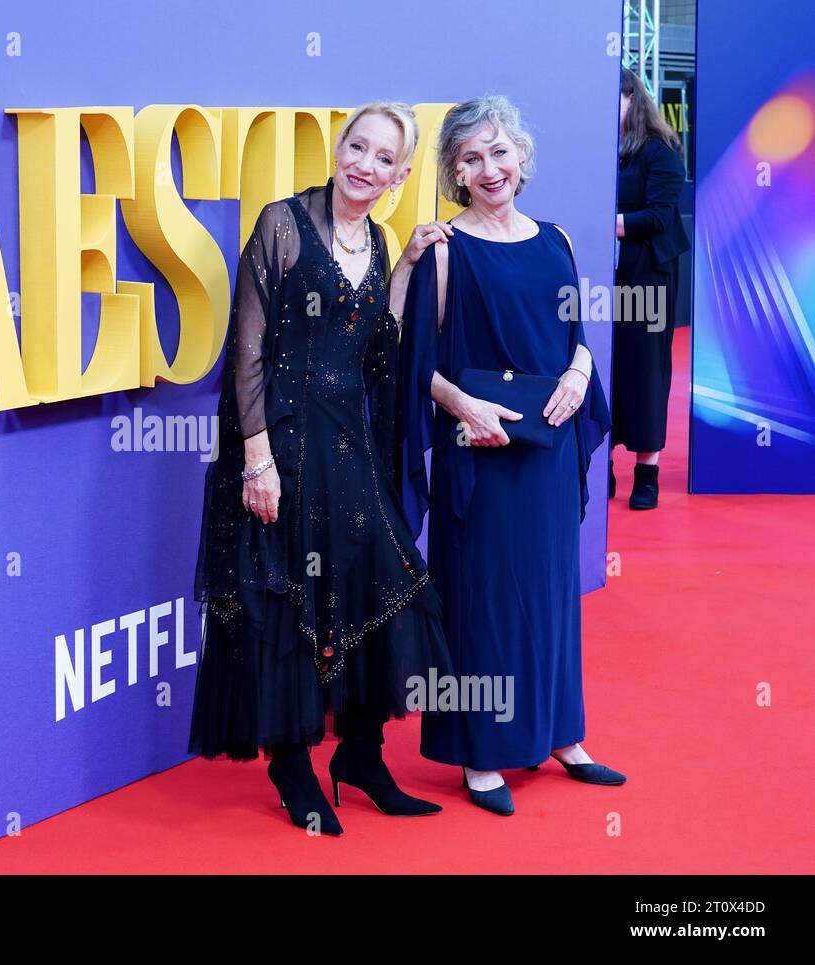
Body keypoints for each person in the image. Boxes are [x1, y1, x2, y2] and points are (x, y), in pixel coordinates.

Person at [189, 102, 455, 835]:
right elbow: (245, 352)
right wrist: (257, 459)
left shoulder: (379, 238)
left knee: (381, 583)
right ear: (339, 148)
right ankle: (293, 763)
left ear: (400, 175)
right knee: (284, 607)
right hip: (277, 445)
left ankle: (361, 755)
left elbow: (377, 351)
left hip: (347, 446)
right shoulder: (282, 224)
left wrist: (401, 269)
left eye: (382, 158)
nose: (364, 165)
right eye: (356, 147)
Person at [392, 95, 626, 817]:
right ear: (455, 171)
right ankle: (482, 749)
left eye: (499, 151)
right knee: (486, 603)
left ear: (521, 154)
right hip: (481, 457)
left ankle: (561, 733)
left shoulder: (555, 238)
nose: (488, 168)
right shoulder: (443, 251)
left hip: (548, 457)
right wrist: (459, 403)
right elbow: (406, 360)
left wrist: (584, 372)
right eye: (471, 157)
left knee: (552, 597)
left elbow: (573, 338)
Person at [611, 68, 691, 509]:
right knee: (601, 364)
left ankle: (647, 472)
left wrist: (607, 226)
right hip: (602, 273)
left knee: (645, 369)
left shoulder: (660, 150)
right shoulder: (599, 147)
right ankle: (599, 463)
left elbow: (659, 218)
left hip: (648, 272)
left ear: (629, 97)